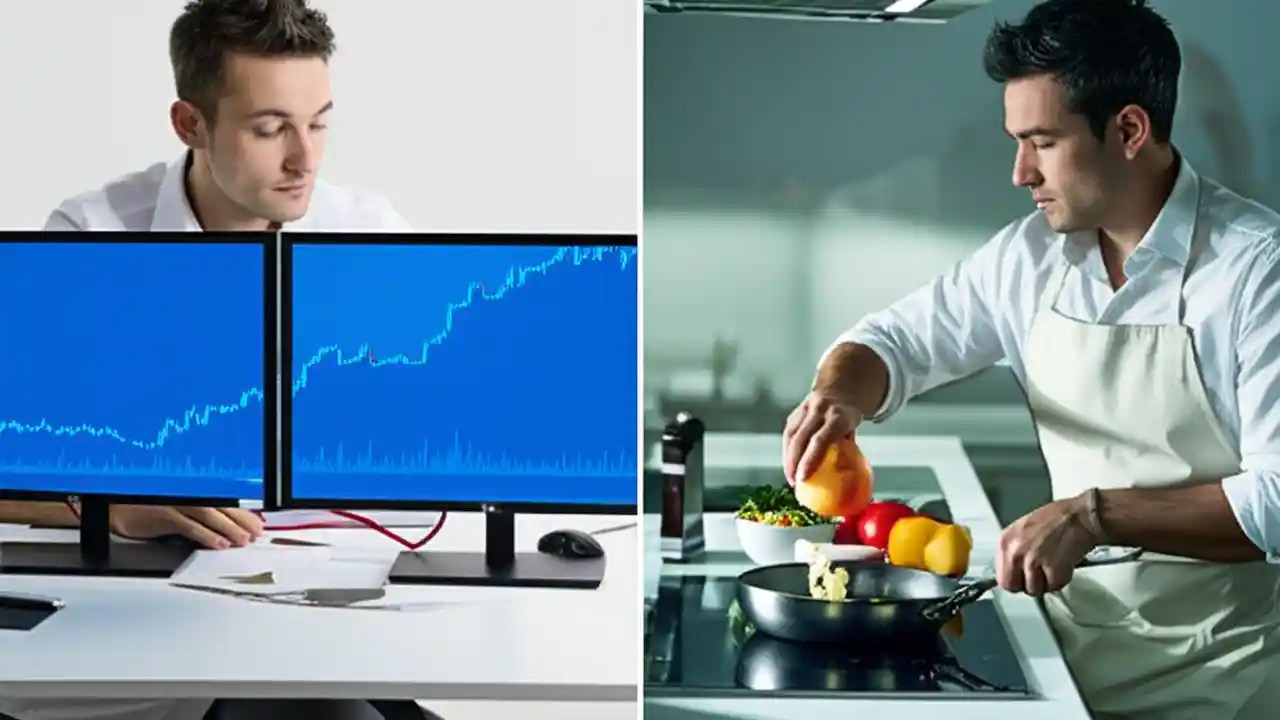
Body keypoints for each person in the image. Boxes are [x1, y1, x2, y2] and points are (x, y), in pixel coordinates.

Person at [782, 0, 1280, 718]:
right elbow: (892, 342)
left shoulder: (1256, 268)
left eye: (1041, 141)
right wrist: (838, 394)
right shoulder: (1029, 257)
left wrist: (1094, 515)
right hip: (1065, 661)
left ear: (1130, 130)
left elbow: (1273, 503)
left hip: (1218, 681)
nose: (1020, 172)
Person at [2, 2, 433, 720]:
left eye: (320, 121)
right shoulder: (93, 236)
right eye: (271, 129)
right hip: (141, 633)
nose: (307, 159)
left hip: (324, 614)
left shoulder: (367, 233)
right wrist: (108, 509)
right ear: (189, 124)